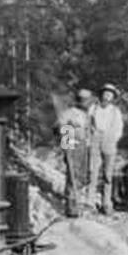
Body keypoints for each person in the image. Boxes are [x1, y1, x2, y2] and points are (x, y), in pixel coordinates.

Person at [87, 84, 124, 215]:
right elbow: (88, 123)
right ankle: (90, 202)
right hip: (95, 138)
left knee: (108, 174)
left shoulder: (115, 111)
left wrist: (113, 139)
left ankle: (106, 203)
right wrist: (91, 138)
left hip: (109, 140)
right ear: (101, 94)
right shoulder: (93, 108)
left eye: (110, 94)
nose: (107, 95)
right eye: (105, 93)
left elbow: (119, 128)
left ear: (113, 97)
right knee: (93, 172)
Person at [56, 88, 94, 216]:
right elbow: (62, 128)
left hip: (83, 147)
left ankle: (78, 203)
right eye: (85, 100)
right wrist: (67, 149)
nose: (87, 103)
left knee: (82, 176)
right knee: (73, 176)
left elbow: (88, 132)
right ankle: (71, 206)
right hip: (73, 147)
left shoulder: (86, 115)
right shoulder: (69, 113)